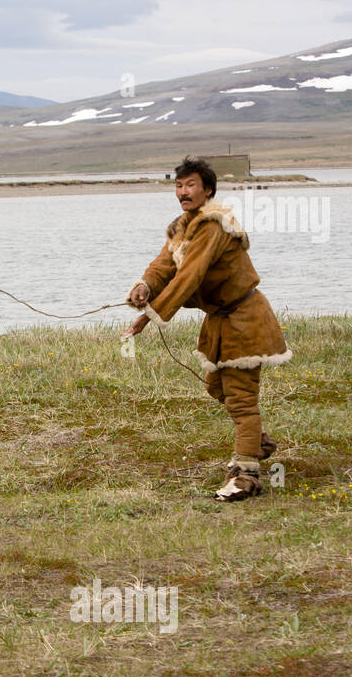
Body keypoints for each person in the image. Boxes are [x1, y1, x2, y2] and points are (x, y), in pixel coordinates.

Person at [122, 155, 291, 501]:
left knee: (242, 399)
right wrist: (145, 286)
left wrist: (148, 317)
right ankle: (256, 441)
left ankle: (245, 475)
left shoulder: (213, 226)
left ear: (207, 190)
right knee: (217, 387)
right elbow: (165, 264)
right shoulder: (184, 225)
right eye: (179, 185)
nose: (183, 192)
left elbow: (190, 275)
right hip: (220, 321)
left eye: (191, 185)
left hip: (245, 318)